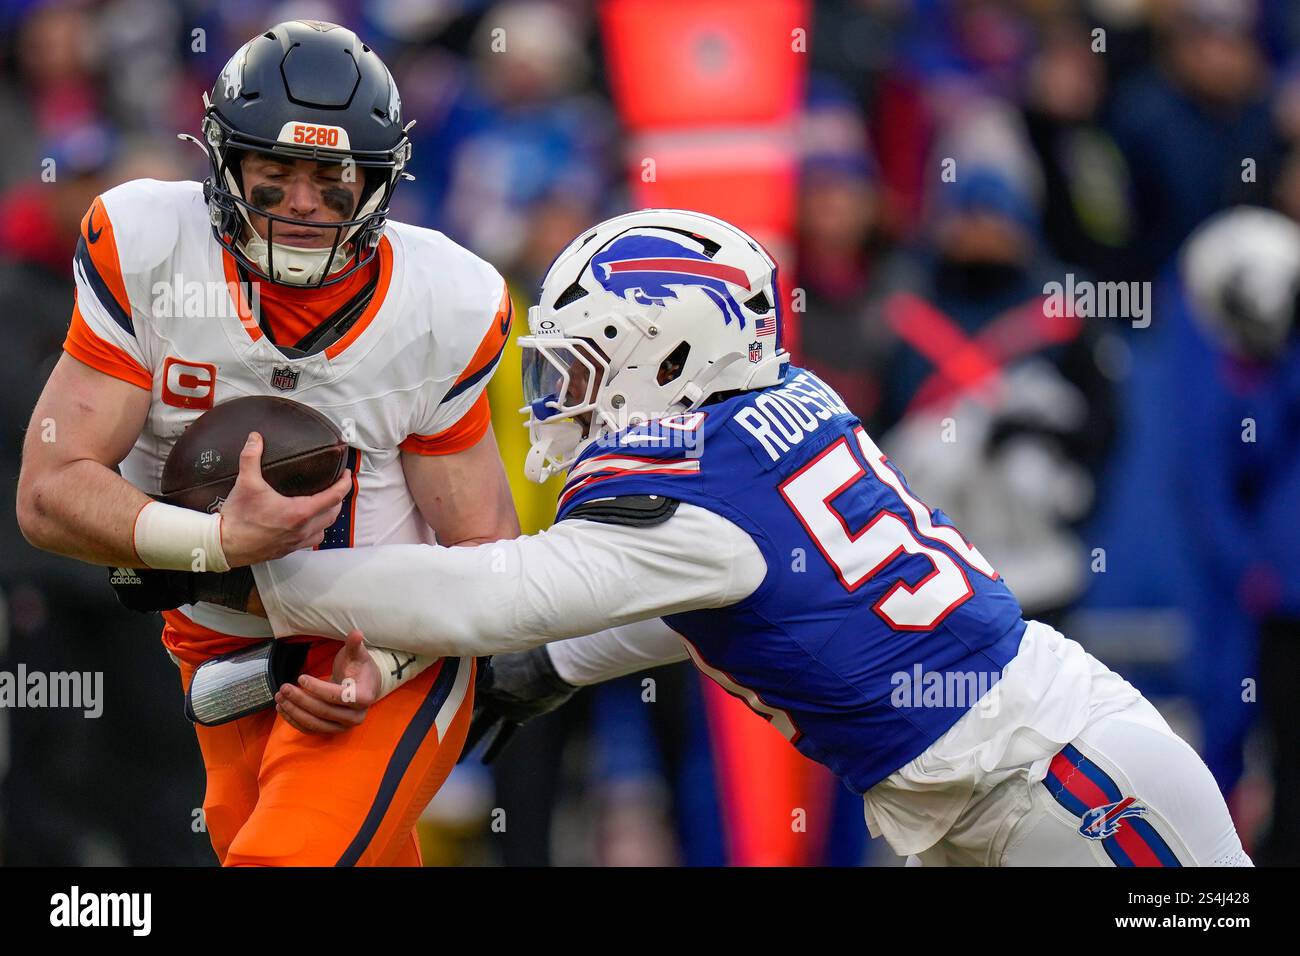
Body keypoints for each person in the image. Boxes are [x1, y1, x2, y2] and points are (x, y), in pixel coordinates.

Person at [142, 208, 1249, 866]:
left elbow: (500, 593)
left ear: (665, 353)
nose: (562, 396)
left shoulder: (689, 494)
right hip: (1000, 777)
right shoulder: (774, 415)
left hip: (1055, 784)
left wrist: (268, 572)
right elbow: (719, 600)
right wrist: (551, 665)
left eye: (579, 364)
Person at [17, 21, 521, 866]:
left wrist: (387, 662)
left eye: (331, 180)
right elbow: (47, 490)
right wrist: (216, 543)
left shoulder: (446, 300)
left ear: (376, 183)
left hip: (378, 646)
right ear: (223, 165)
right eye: (274, 173)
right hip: (218, 649)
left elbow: (486, 553)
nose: (301, 203)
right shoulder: (149, 247)